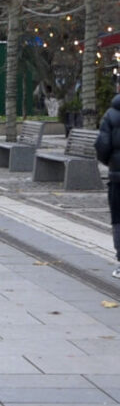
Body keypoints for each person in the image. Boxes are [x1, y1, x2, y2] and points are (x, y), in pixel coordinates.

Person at [96, 91, 120, 278]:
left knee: (119, 220)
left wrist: (111, 164)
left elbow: (102, 146)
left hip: (118, 178)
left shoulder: (112, 114)